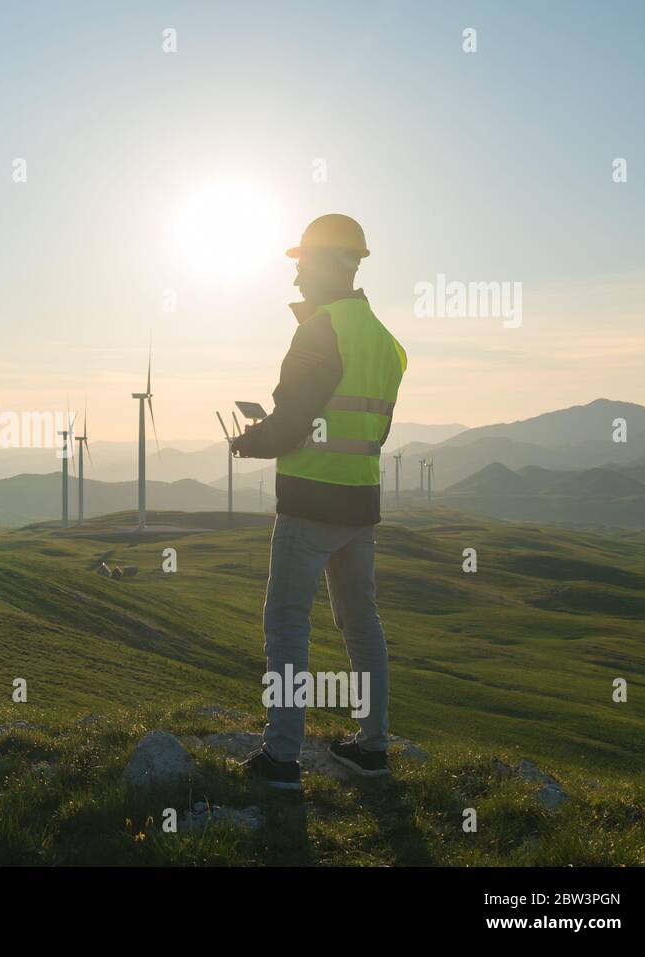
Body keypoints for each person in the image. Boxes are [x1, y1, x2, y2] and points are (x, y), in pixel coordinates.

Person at [231, 214, 407, 790]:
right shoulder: (386, 342)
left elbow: (293, 421)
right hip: (360, 506)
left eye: (304, 261)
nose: (297, 274)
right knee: (362, 623)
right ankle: (373, 748)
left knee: (287, 624)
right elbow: (370, 430)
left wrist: (250, 440)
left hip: (309, 504)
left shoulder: (320, 329)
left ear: (334, 261)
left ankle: (281, 759)